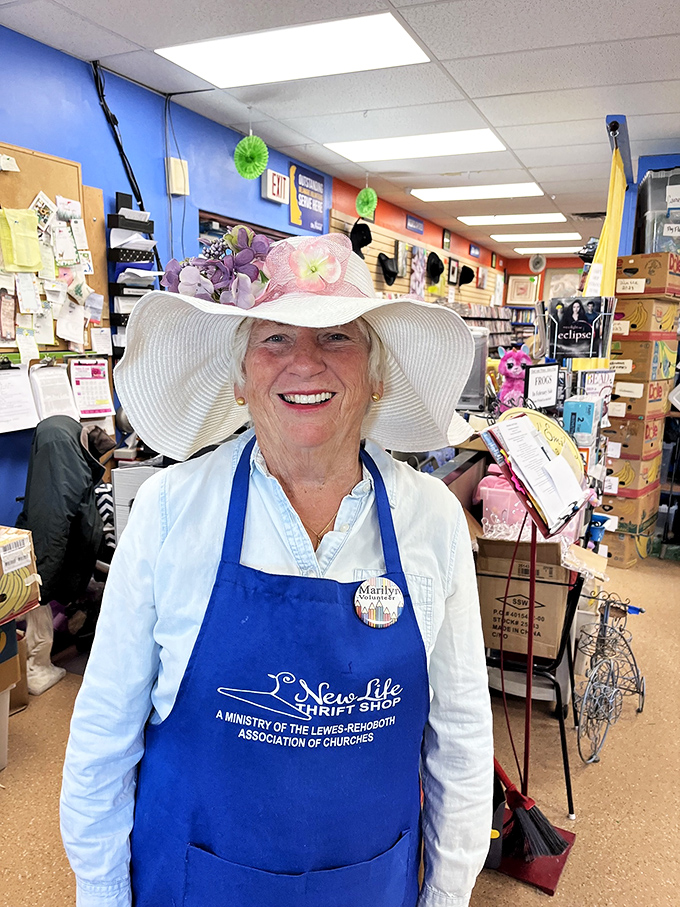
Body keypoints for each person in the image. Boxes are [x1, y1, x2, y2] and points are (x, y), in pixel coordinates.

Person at [60, 232, 493, 907]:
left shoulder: (430, 519)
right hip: (194, 885)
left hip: (369, 886)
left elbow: (461, 737)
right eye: (275, 340)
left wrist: (446, 893)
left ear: (377, 373)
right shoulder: (170, 512)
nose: (306, 363)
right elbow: (103, 736)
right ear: (238, 376)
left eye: (337, 338)